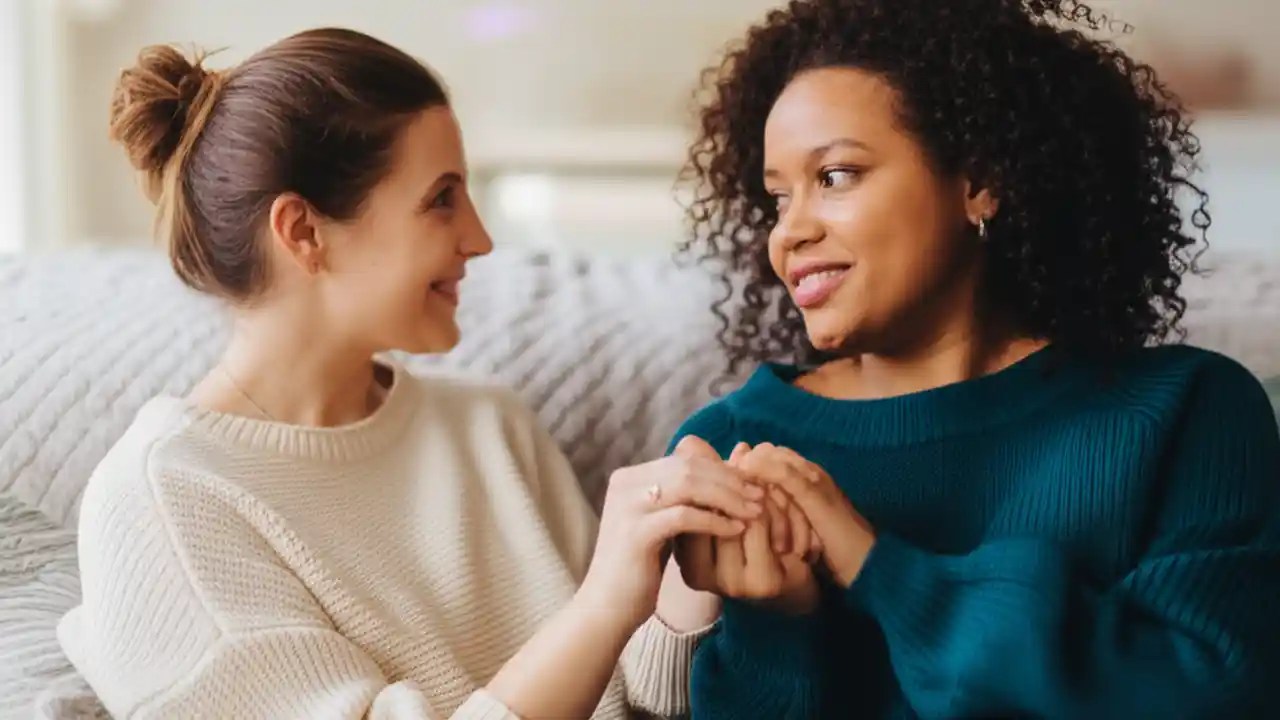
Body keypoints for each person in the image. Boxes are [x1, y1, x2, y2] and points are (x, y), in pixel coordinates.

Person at [57, 28, 768, 719]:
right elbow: (591, 624)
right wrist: (604, 602)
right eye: (441, 199)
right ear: (303, 233)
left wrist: (680, 585)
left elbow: (629, 697)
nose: (481, 239)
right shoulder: (163, 504)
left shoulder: (490, 424)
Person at [663, 0, 1280, 718]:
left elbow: (1217, 695)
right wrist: (773, 628)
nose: (789, 233)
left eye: (835, 176)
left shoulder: (1188, 414)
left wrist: (878, 569)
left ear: (980, 180)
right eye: (777, 198)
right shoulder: (725, 451)